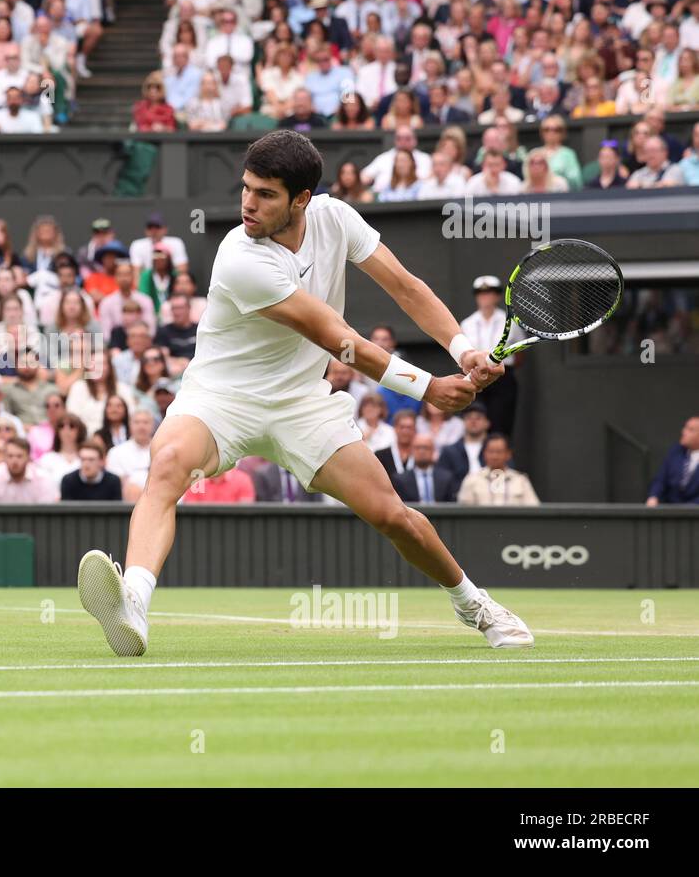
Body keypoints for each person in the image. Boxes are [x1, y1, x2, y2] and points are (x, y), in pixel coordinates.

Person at [77, 130, 532, 657]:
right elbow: (339, 340)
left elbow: (405, 286)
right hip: (223, 396)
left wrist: (462, 348)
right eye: (246, 188)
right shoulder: (239, 257)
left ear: (301, 200)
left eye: (265, 194)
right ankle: (133, 600)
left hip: (302, 403)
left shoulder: (336, 219)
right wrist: (426, 386)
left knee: (391, 514)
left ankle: (473, 604)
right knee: (168, 463)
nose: (248, 203)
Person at [459, 275, 521, 438]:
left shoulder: (510, 322)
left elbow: (520, 353)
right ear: (476, 297)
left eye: (490, 293)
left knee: (502, 423)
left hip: (502, 377)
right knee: (474, 422)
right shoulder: (467, 324)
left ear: (498, 296)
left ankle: (500, 461)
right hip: (475, 376)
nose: (485, 297)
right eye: (481, 293)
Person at [456, 434, 540, 506]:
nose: (495, 456)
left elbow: (533, 509)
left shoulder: (520, 480)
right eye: (491, 451)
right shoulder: (472, 479)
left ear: (508, 454)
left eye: (499, 452)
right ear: (484, 454)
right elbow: (463, 513)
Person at [0, 436, 60, 503]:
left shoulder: (43, 478)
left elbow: (46, 514)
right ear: (4, 457)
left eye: (19, 456)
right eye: (10, 456)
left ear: (28, 458)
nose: (14, 461)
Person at [392, 433, 460, 504]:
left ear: (433, 450)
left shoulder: (447, 478)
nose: (422, 451)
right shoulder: (400, 480)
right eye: (418, 447)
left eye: (426, 447)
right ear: (411, 450)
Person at [646, 416, 699, 506]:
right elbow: (660, 480)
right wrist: (653, 496)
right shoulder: (676, 452)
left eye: (690, 430)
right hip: (670, 512)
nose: (683, 432)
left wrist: (688, 509)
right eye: (685, 428)